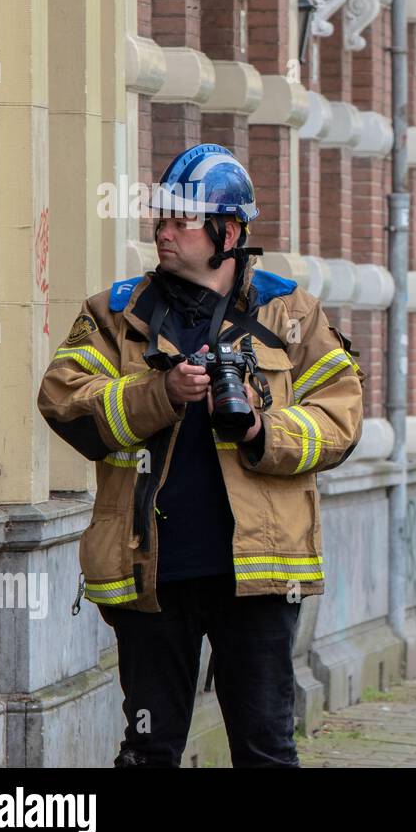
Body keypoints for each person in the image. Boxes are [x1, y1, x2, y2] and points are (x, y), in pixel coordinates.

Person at [38, 143, 366, 766]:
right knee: (150, 748)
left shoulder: (290, 312)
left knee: (267, 748)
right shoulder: (117, 312)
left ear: (230, 230)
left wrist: (259, 429)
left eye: (180, 220)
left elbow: (341, 417)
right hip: (151, 572)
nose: (163, 231)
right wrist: (158, 393)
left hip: (260, 575)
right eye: (160, 218)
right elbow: (62, 399)